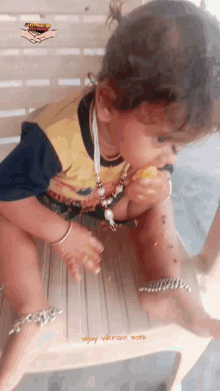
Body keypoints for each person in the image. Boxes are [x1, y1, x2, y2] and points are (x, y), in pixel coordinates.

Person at [0, 0, 220, 388]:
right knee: (5, 221)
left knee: (158, 200)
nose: (169, 155)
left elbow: (156, 180)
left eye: (179, 147)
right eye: (163, 140)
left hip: (109, 201)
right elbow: (7, 193)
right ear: (106, 103)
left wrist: (153, 188)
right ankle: (32, 309)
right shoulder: (55, 138)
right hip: (44, 202)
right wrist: (61, 233)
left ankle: (164, 288)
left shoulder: (148, 142)